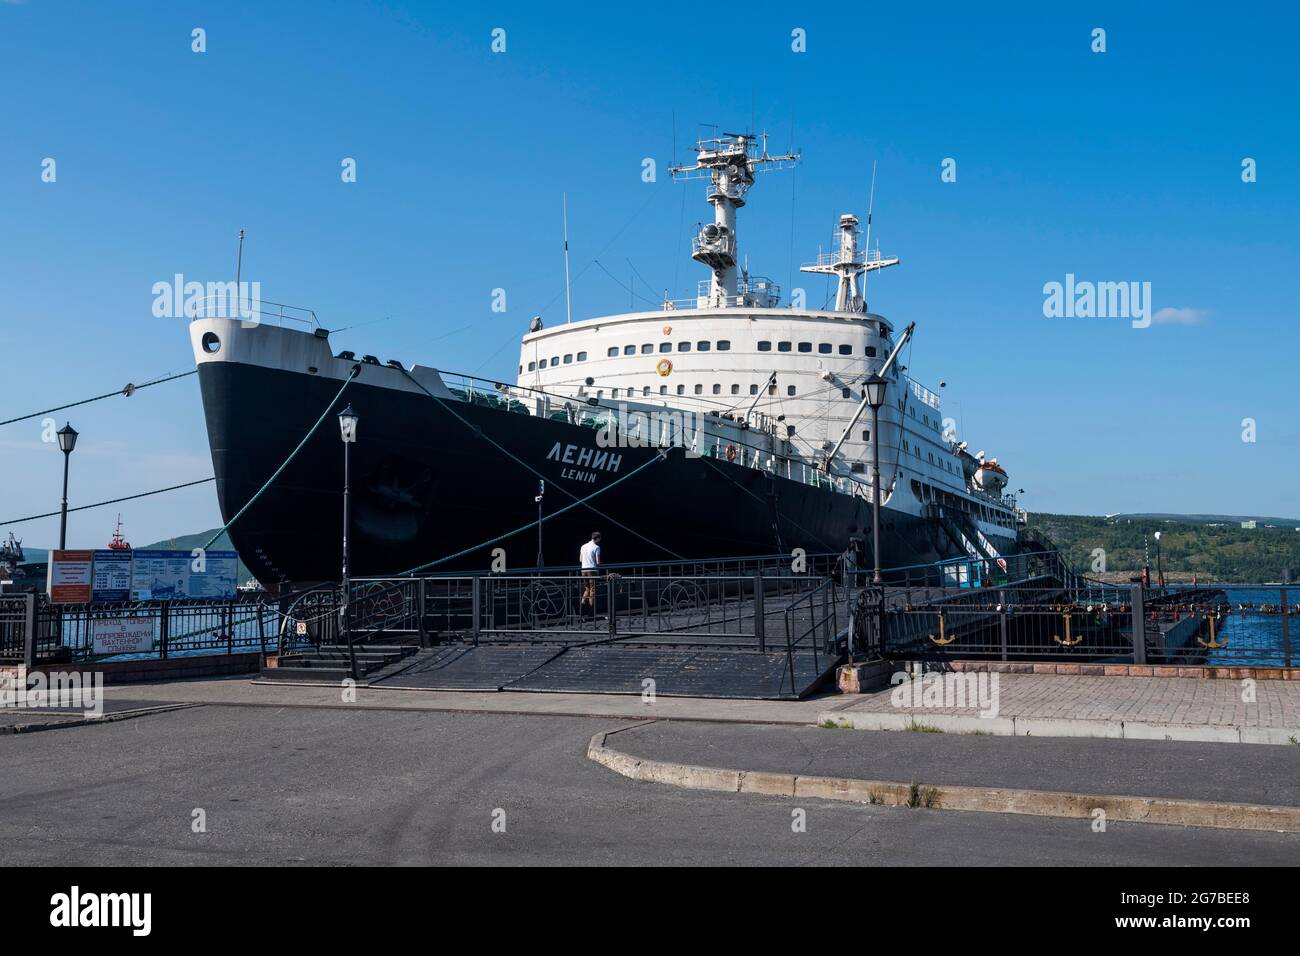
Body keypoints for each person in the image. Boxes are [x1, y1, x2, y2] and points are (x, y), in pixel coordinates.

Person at [579, 532, 602, 617]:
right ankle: (591, 612)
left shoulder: (583, 546)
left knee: (587, 589)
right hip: (592, 570)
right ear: (598, 538)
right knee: (593, 590)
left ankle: (581, 609)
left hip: (583, 570)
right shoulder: (597, 547)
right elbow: (598, 562)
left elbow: (580, 560)